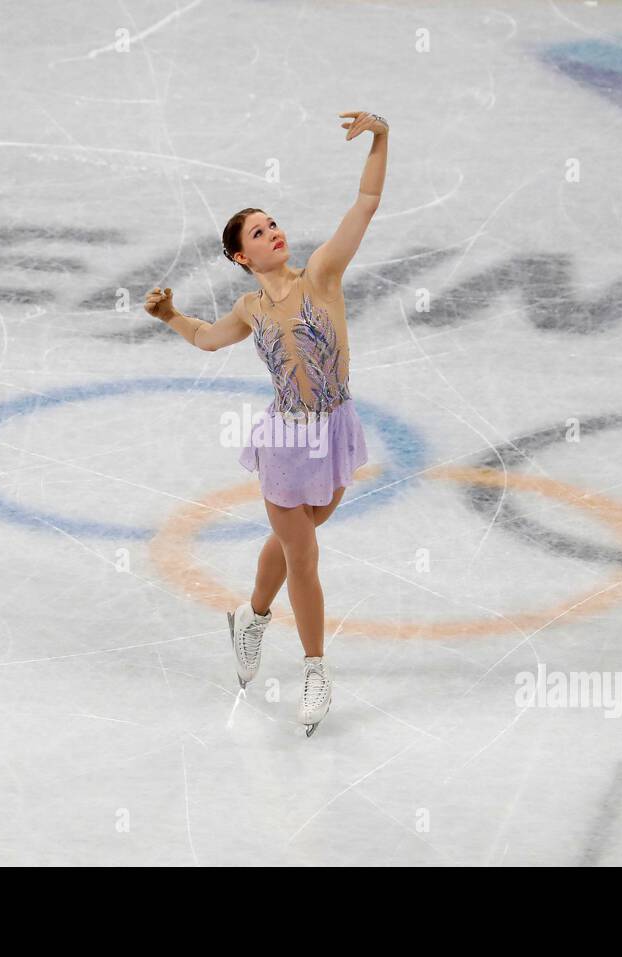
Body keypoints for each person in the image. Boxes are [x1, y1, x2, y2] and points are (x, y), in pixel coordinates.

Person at [144, 110, 389, 736]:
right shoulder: (249, 307)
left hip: (334, 429)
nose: (273, 233)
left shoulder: (322, 275)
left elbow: (365, 202)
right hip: (285, 441)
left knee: (294, 538)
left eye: (274, 223)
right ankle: (315, 670)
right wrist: (169, 315)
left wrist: (381, 137)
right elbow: (204, 339)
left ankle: (250, 617)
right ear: (239, 254)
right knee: (304, 556)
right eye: (258, 231)